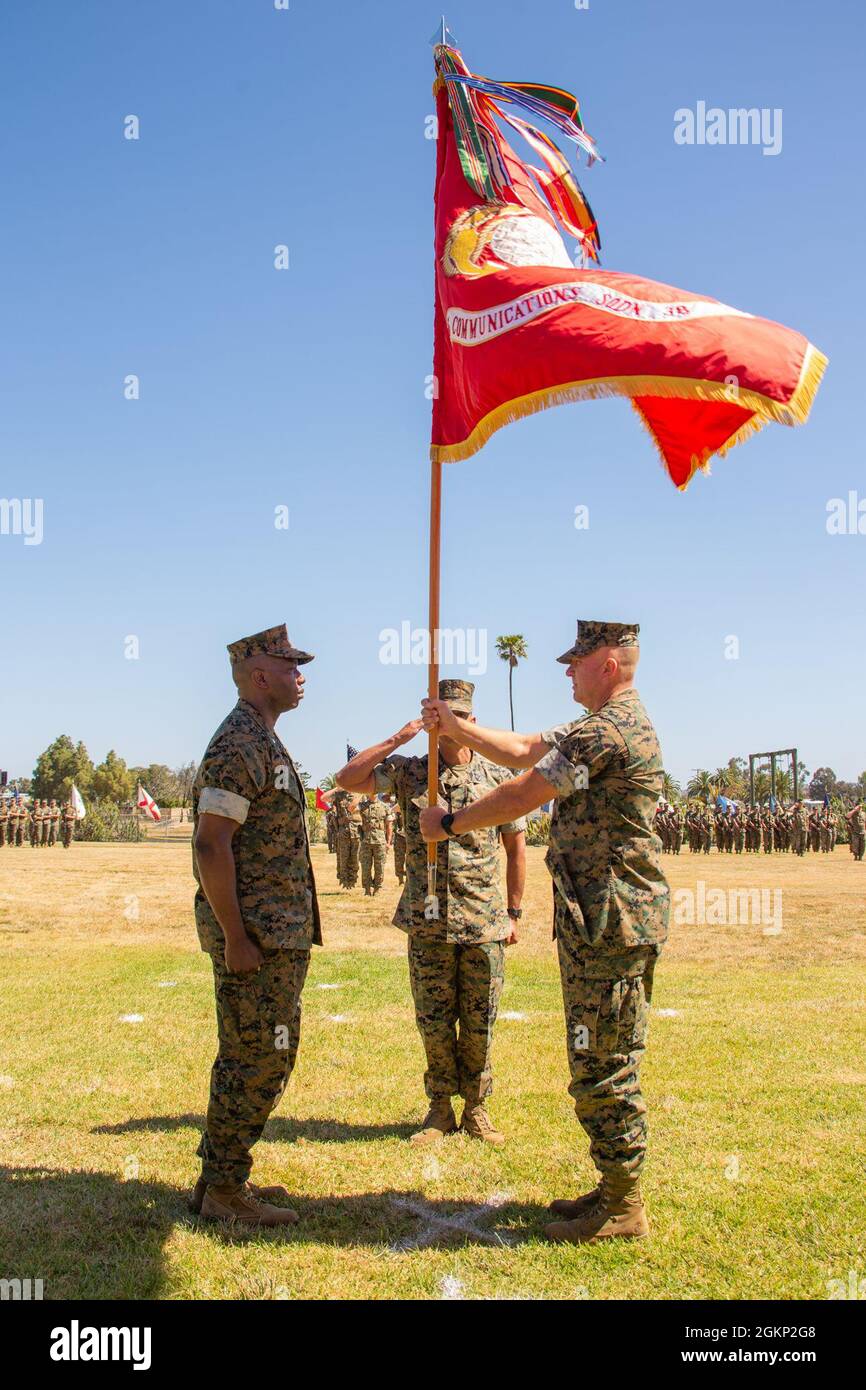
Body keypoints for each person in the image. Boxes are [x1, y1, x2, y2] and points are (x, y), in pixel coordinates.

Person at [420, 620, 669, 1245]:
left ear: (606, 663)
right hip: (599, 920)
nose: (567, 672)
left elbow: (525, 790)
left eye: (576, 661)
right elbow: (526, 746)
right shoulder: (599, 726)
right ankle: (612, 1188)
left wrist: (450, 823)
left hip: (612, 922)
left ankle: (622, 1204)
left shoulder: (609, 729)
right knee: (598, 1056)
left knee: (605, 1064)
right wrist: (456, 727)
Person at [336, 680, 526, 1148]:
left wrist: (515, 911)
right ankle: (440, 1109)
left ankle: (477, 1108)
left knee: (481, 1019)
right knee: (434, 1020)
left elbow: (516, 847)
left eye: (457, 717)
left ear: (471, 722)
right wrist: (400, 738)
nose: (449, 726)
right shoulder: (410, 774)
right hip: (427, 921)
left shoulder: (497, 778)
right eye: (440, 718)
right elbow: (346, 779)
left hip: (483, 919)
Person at [191, 623, 321, 1228]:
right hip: (256, 938)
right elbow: (211, 846)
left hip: (274, 933)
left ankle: (219, 1176)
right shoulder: (239, 742)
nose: (301, 674)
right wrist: (237, 937)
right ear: (258, 675)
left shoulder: (262, 740)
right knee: (257, 1058)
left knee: (254, 1052)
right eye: (290, 664)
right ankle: (224, 1190)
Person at [358, 793, 389, 895]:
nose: (373, 793)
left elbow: (389, 826)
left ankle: (377, 888)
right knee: (365, 866)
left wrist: (388, 842)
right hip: (366, 840)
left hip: (380, 841)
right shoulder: (361, 806)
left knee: (380, 866)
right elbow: (351, 808)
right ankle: (367, 889)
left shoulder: (385, 807)